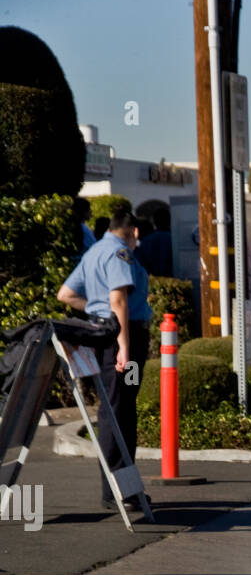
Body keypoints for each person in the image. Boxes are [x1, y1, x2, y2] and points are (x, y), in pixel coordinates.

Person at [57, 205, 151, 510]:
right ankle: (119, 489)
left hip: (106, 337)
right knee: (119, 411)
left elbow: (66, 294)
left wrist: (96, 312)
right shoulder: (120, 252)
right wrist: (122, 344)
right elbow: (119, 299)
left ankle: (121, 487)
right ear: (134, 232)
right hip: (125, 342)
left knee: (118, 407)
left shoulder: (95, 251)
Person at [135, 208, 173, 277]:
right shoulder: (174, 240)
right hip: (174, 280)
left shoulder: (147, 241)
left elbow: (142, 263)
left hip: (152, 280)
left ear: (154, 222)